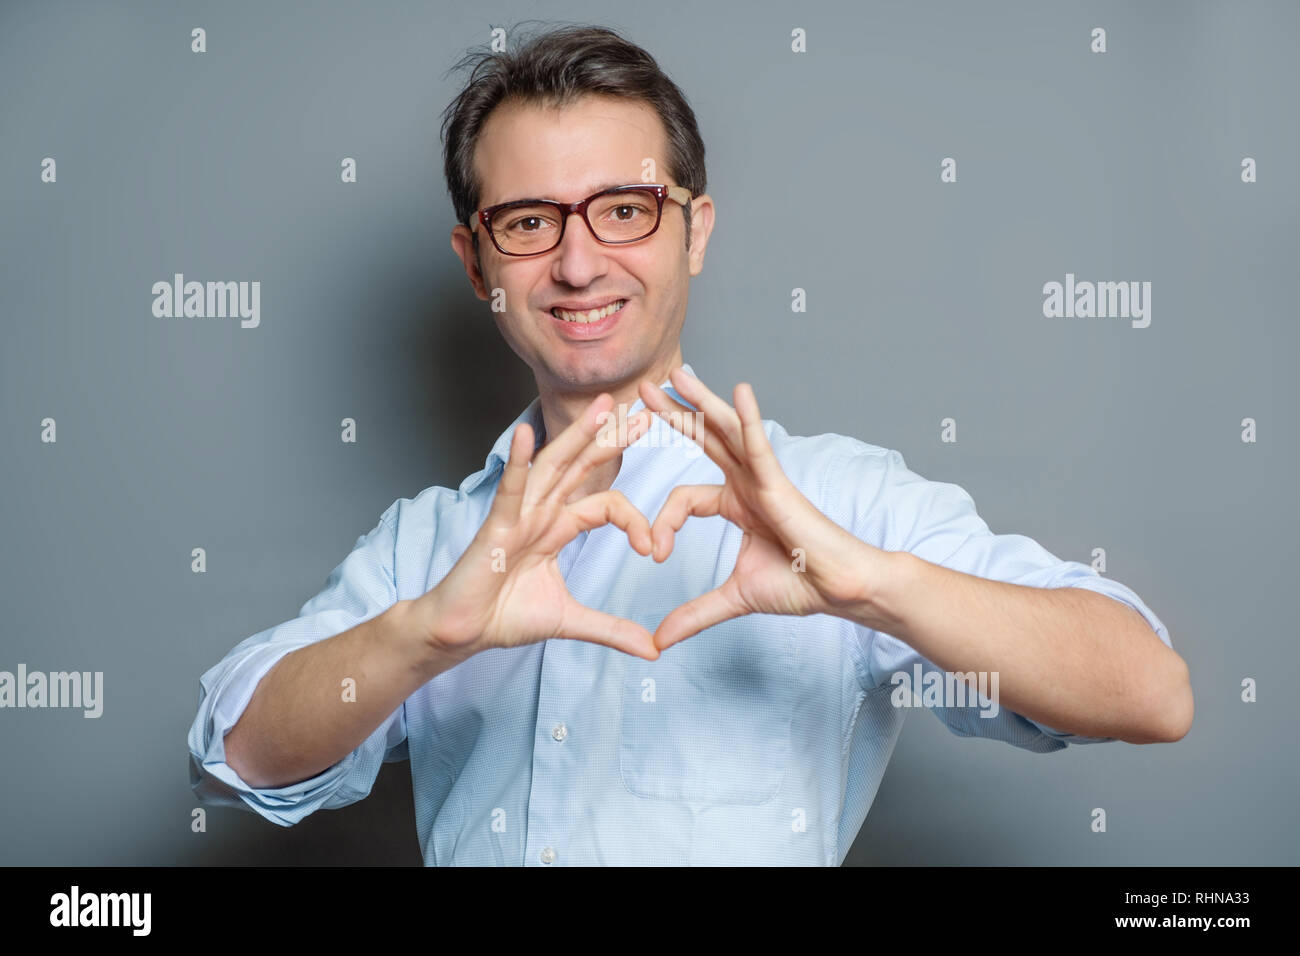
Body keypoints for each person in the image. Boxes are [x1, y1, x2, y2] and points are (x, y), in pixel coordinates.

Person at [187, 24, 1192, 866]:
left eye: (624, 210)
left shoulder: (830, 500)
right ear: (476, 261)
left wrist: (868, 584)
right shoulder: (430, 545)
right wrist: (425, 635)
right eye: (530, 221)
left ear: (694, 230)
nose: (579, 264)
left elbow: (1149, 690)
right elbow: (235, 751)